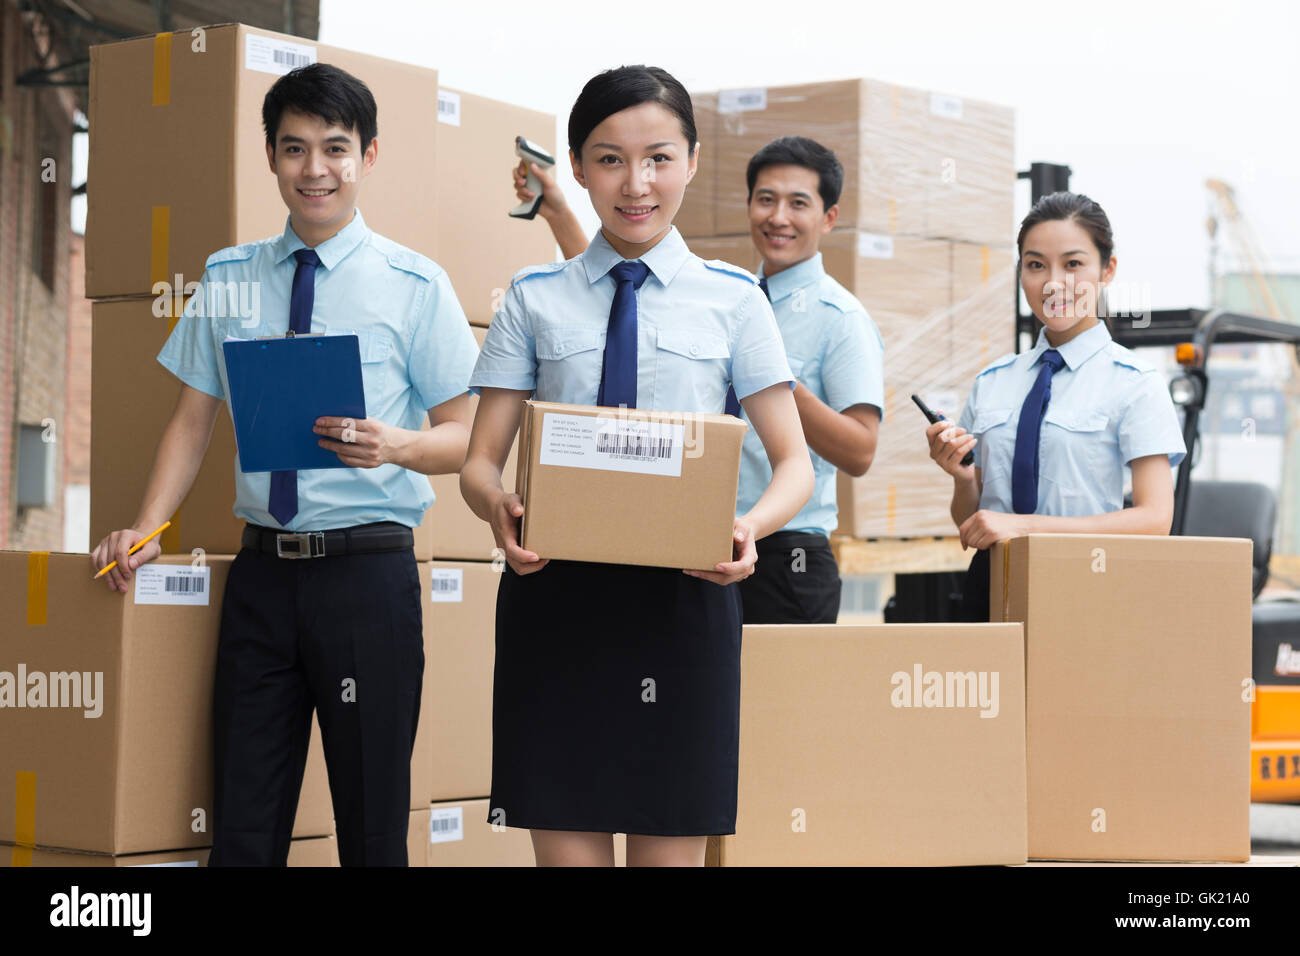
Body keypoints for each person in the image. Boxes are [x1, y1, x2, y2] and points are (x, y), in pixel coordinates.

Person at [90, 63, 480, 866]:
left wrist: (395, 444)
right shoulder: (230, 278)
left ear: (369, 156)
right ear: (270, 156)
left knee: (373, 832)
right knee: (241, 830)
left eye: (335, 148)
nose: (315, 169)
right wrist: (148, 524)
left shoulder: (415, 286)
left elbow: (472, 438)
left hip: (367, 579)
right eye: (295, 148)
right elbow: (192, 420)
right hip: (263, 580)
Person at [463, 65, 814, 867]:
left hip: (684, 605)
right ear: (578, 169)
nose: (637, 183)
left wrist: (749, 529)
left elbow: (794, 463)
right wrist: (498, 510)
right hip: (555, 600)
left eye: (658, 157)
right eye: (610, 159)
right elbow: (480, 463)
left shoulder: (735, 302)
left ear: (691, 160)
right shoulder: (532, 297)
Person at [513, 137, 882, 624]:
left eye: (799, 204)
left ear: (828, 218)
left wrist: (769, 373)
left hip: (782, 550)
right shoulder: (720, 297)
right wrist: (560, 212)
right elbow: (612, 301)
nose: (778, 217)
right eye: (766, 199)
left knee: (770, 702)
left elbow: (860, 451)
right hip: (691, 540)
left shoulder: (840, 318)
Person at [925, 191, 1186, 621]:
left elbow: (1156, 519)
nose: (1053, 282)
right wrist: (961, 478)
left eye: (1073, 263)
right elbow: (972, 521)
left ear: (1108, 271)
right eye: (1035, 265)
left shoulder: (1135, 385)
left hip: (1086, 584)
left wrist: (1024, 527)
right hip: (991, 586)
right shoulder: (993, 382)